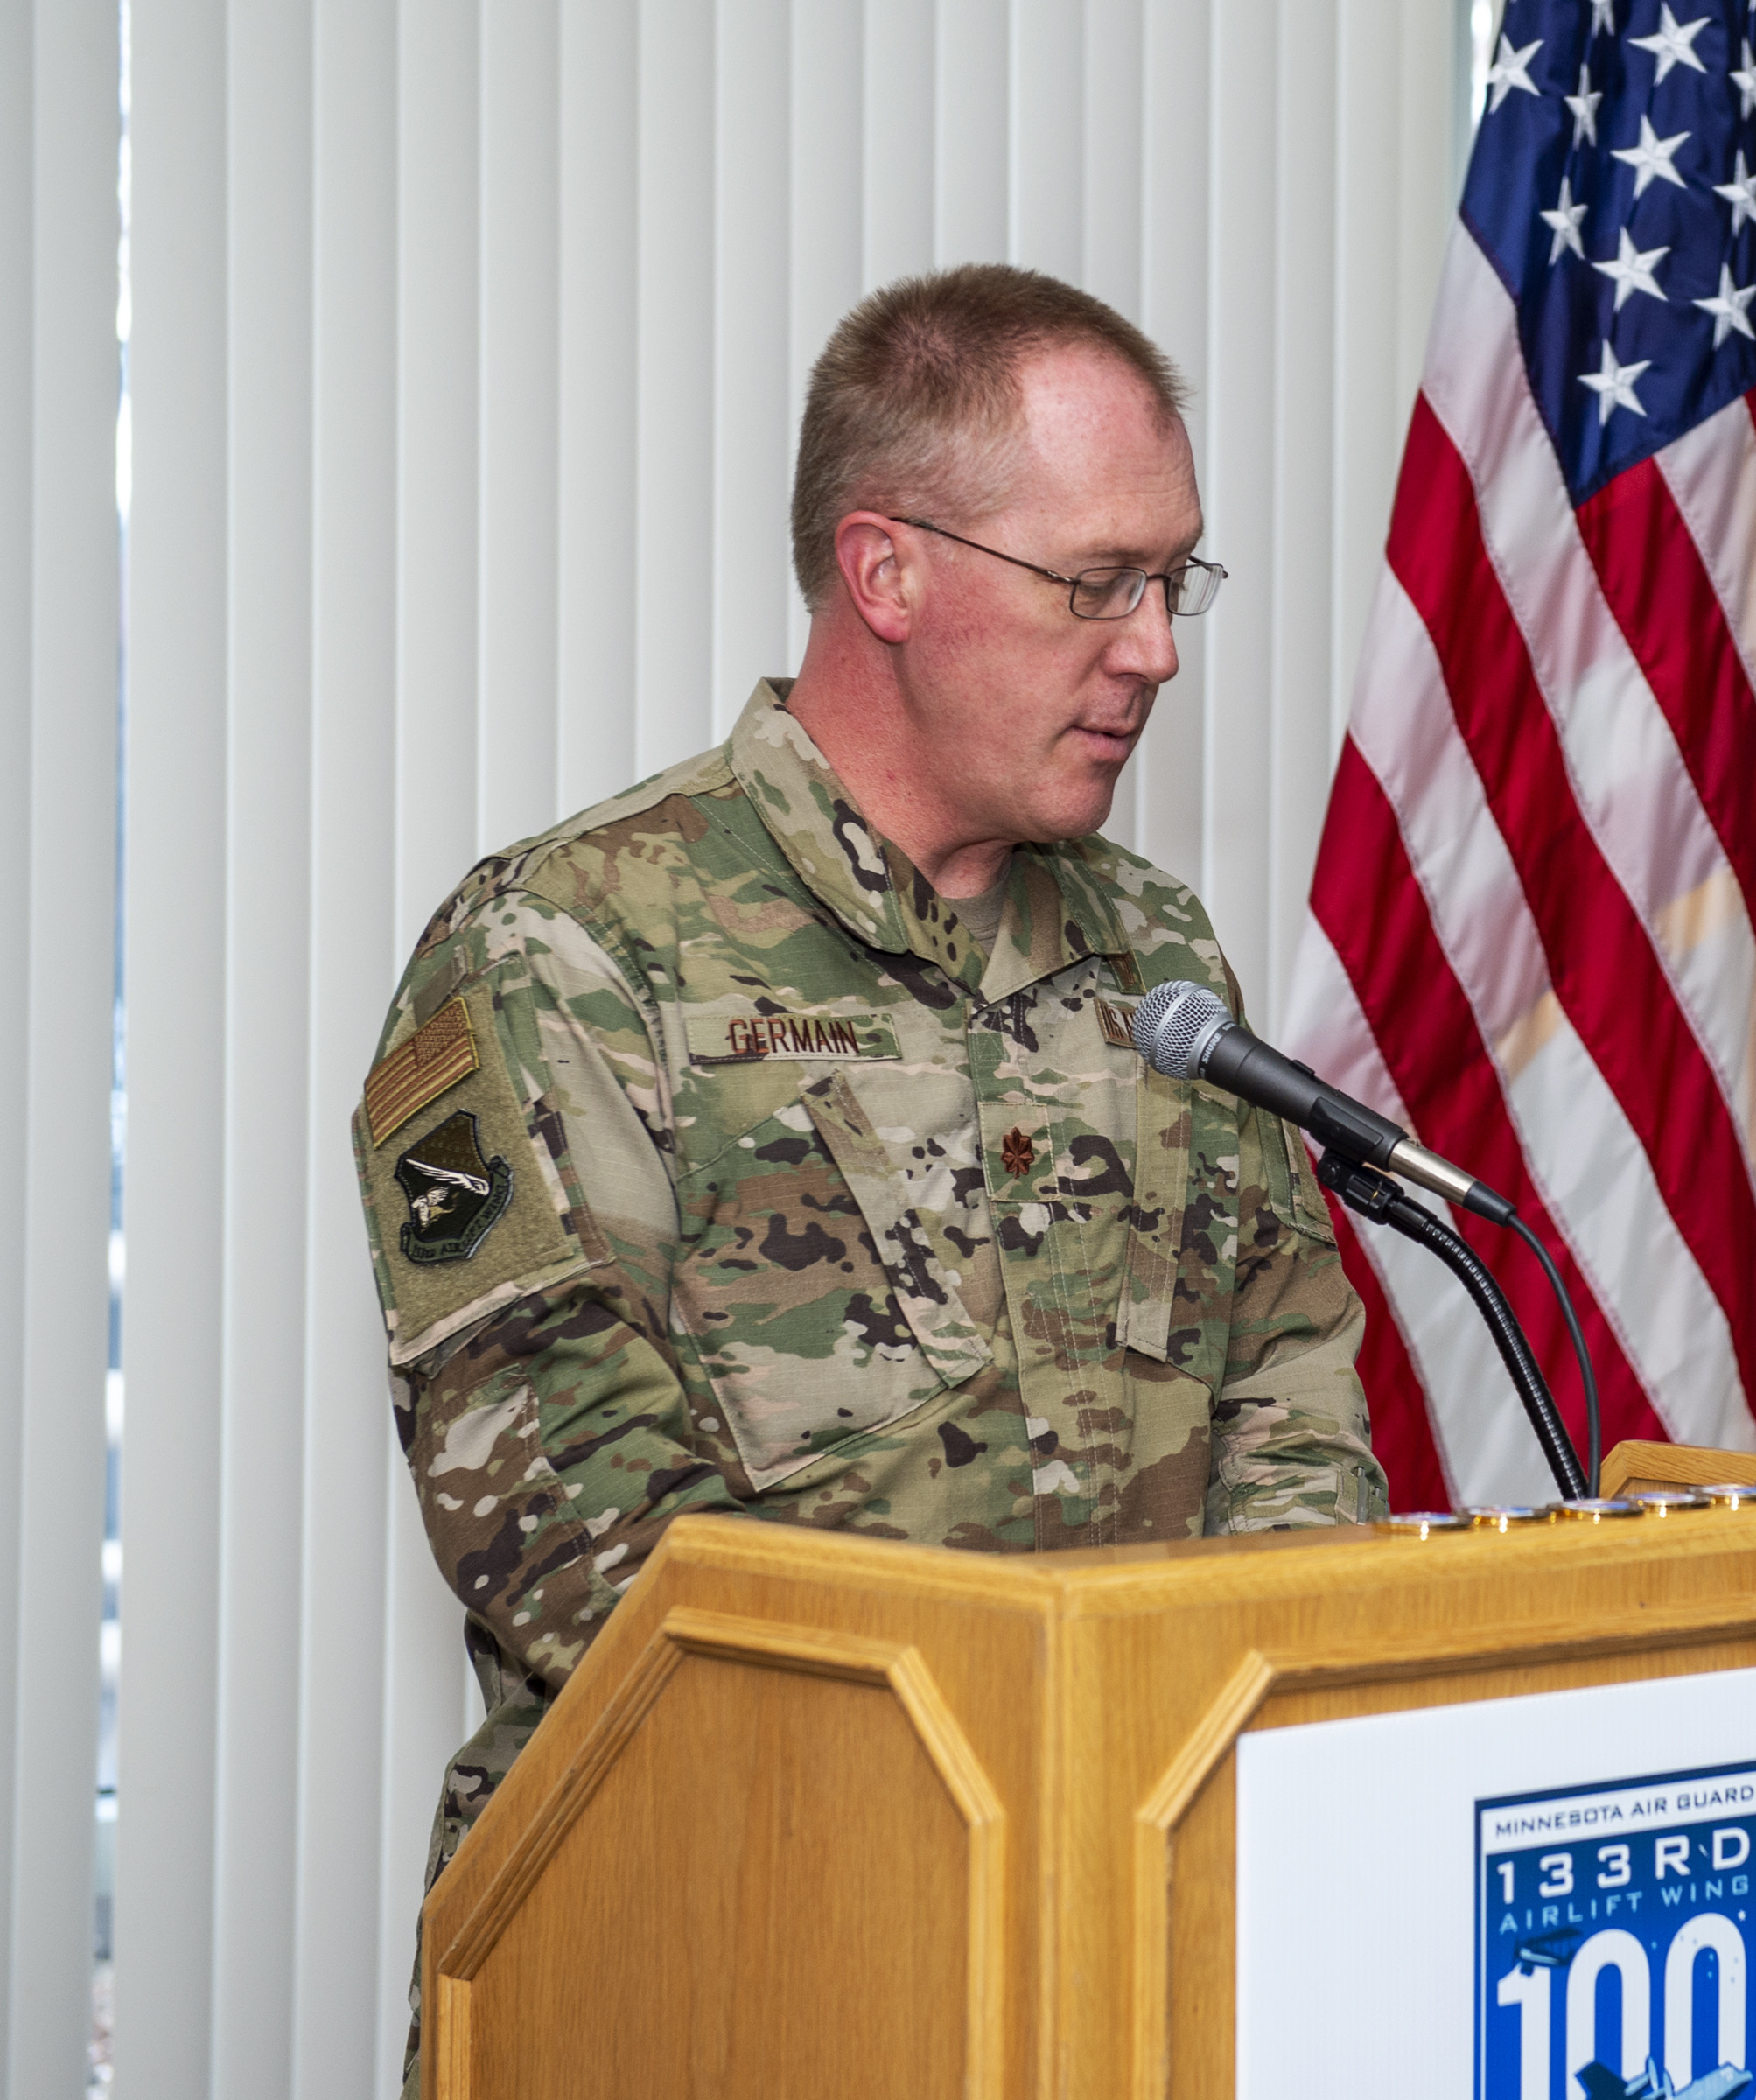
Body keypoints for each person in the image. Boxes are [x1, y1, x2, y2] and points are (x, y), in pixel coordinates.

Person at [352, 263, 1384, 2084]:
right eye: (1097, 585)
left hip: (1123, 1944)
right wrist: (1024, 1800)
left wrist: (1244, 1749)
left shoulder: (1155, 961)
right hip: (719, 1960)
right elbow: (593, 1543)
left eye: (1173, 582)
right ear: (887, 570)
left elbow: (1287, 1378)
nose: (1153, 645)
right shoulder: (570, 951)